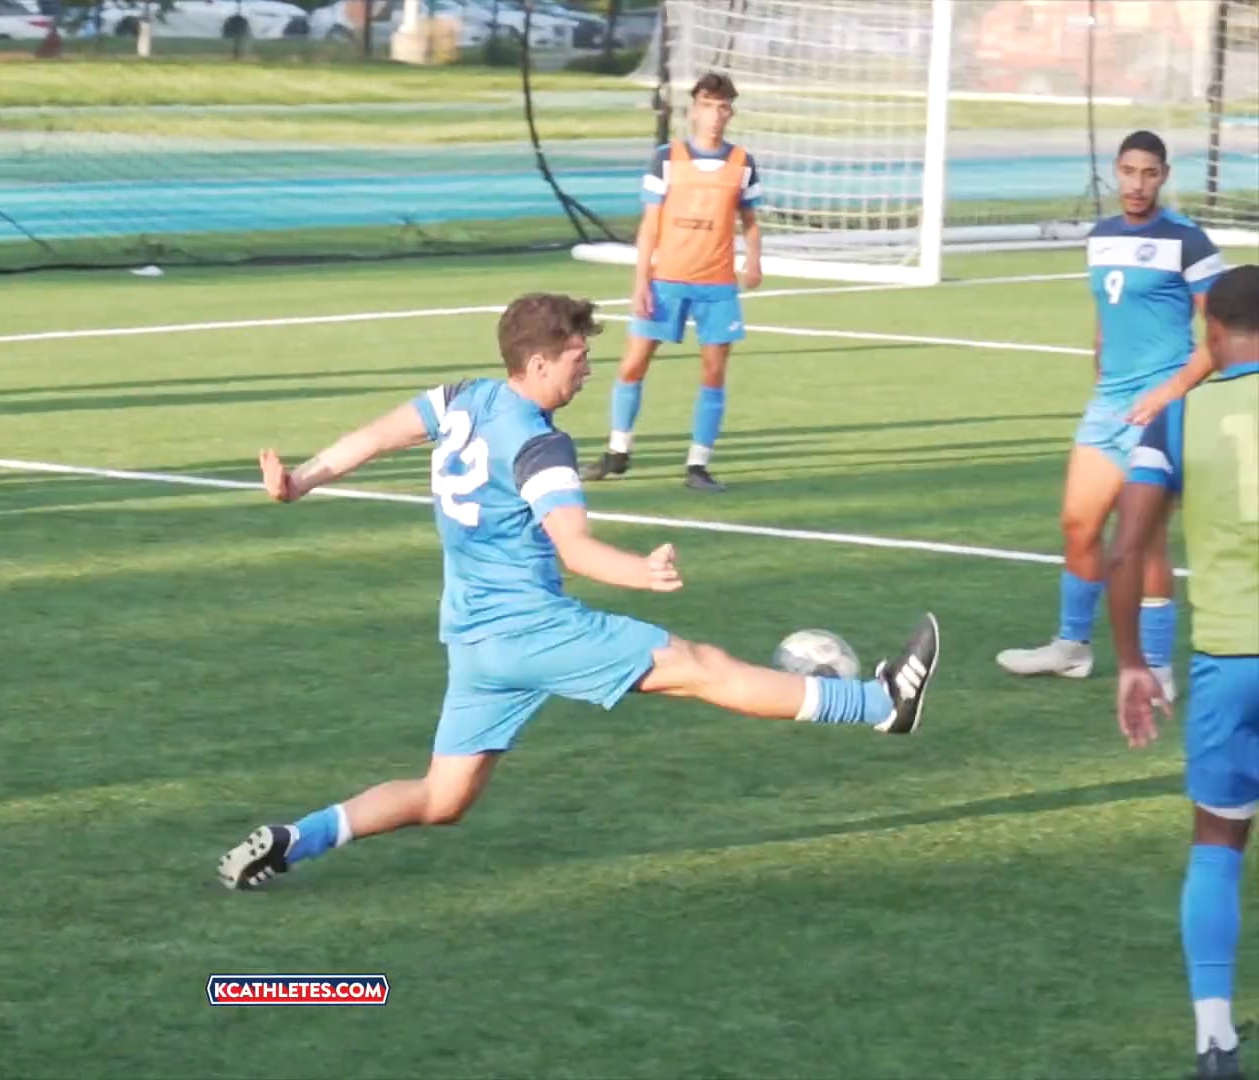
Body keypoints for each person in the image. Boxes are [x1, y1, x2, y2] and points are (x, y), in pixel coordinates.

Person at [217, 293, 940, 891]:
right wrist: (643, 572)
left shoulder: (462, 400)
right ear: (537, 363)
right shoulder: (539, 444)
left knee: (442, 799)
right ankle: (883, 705)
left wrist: (303, 479)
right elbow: (577, 549)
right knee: (702, 667)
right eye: (578, 357)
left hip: (475, 644)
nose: (588, 369)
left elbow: (374, 437)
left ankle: (293, 839)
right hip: (535, 632)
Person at [998, 131, 1225, 696]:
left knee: (1144, 539)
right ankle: (1071, 647)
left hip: (1164, 409)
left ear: (1164, 176)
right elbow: (1108, 311)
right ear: (1116, 173)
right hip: (1108, 408)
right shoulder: (1101, 237)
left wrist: (1171, 393)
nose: (1137, 184)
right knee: (1079, 524)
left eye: (1149, 173)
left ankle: (1155, 666)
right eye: (1128, 171)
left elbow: (1224, 335)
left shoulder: (1188, 241)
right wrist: (1101, 365)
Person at [1108, 264, 1258, 1080]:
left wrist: (1133, 661)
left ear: (1211, 336)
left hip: (1228, 661)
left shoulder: (1173, 421)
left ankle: (1214, 1038)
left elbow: (1127, 548)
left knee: (1218, 843)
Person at [579, 71, 763, 493]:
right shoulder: (667, 157)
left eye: (723, 107)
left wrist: (753, 262)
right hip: (666, 282)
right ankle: (617, 451)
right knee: (633, 363)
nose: (716, 114)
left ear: (730, 112)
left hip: (717, 285)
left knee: (714, 371)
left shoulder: (742, 163)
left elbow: (750, 221)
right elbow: (649, 225)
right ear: (694, 109)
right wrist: (641, 282)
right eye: (708, 105)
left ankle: (698, 464)